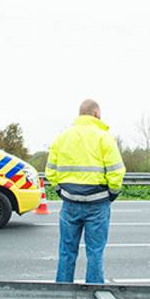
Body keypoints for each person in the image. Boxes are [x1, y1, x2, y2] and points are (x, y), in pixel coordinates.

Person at [46, 99, 125, 284]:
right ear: (96, 114)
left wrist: (60, 191)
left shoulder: (62, 138)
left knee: (66, 251)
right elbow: (116, 171)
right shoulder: (104, 138)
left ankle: (62, 292)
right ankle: (94, 291)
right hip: (98, 204)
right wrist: (112, 194)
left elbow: (50, 171)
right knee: (95, 253)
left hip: (70, 203)